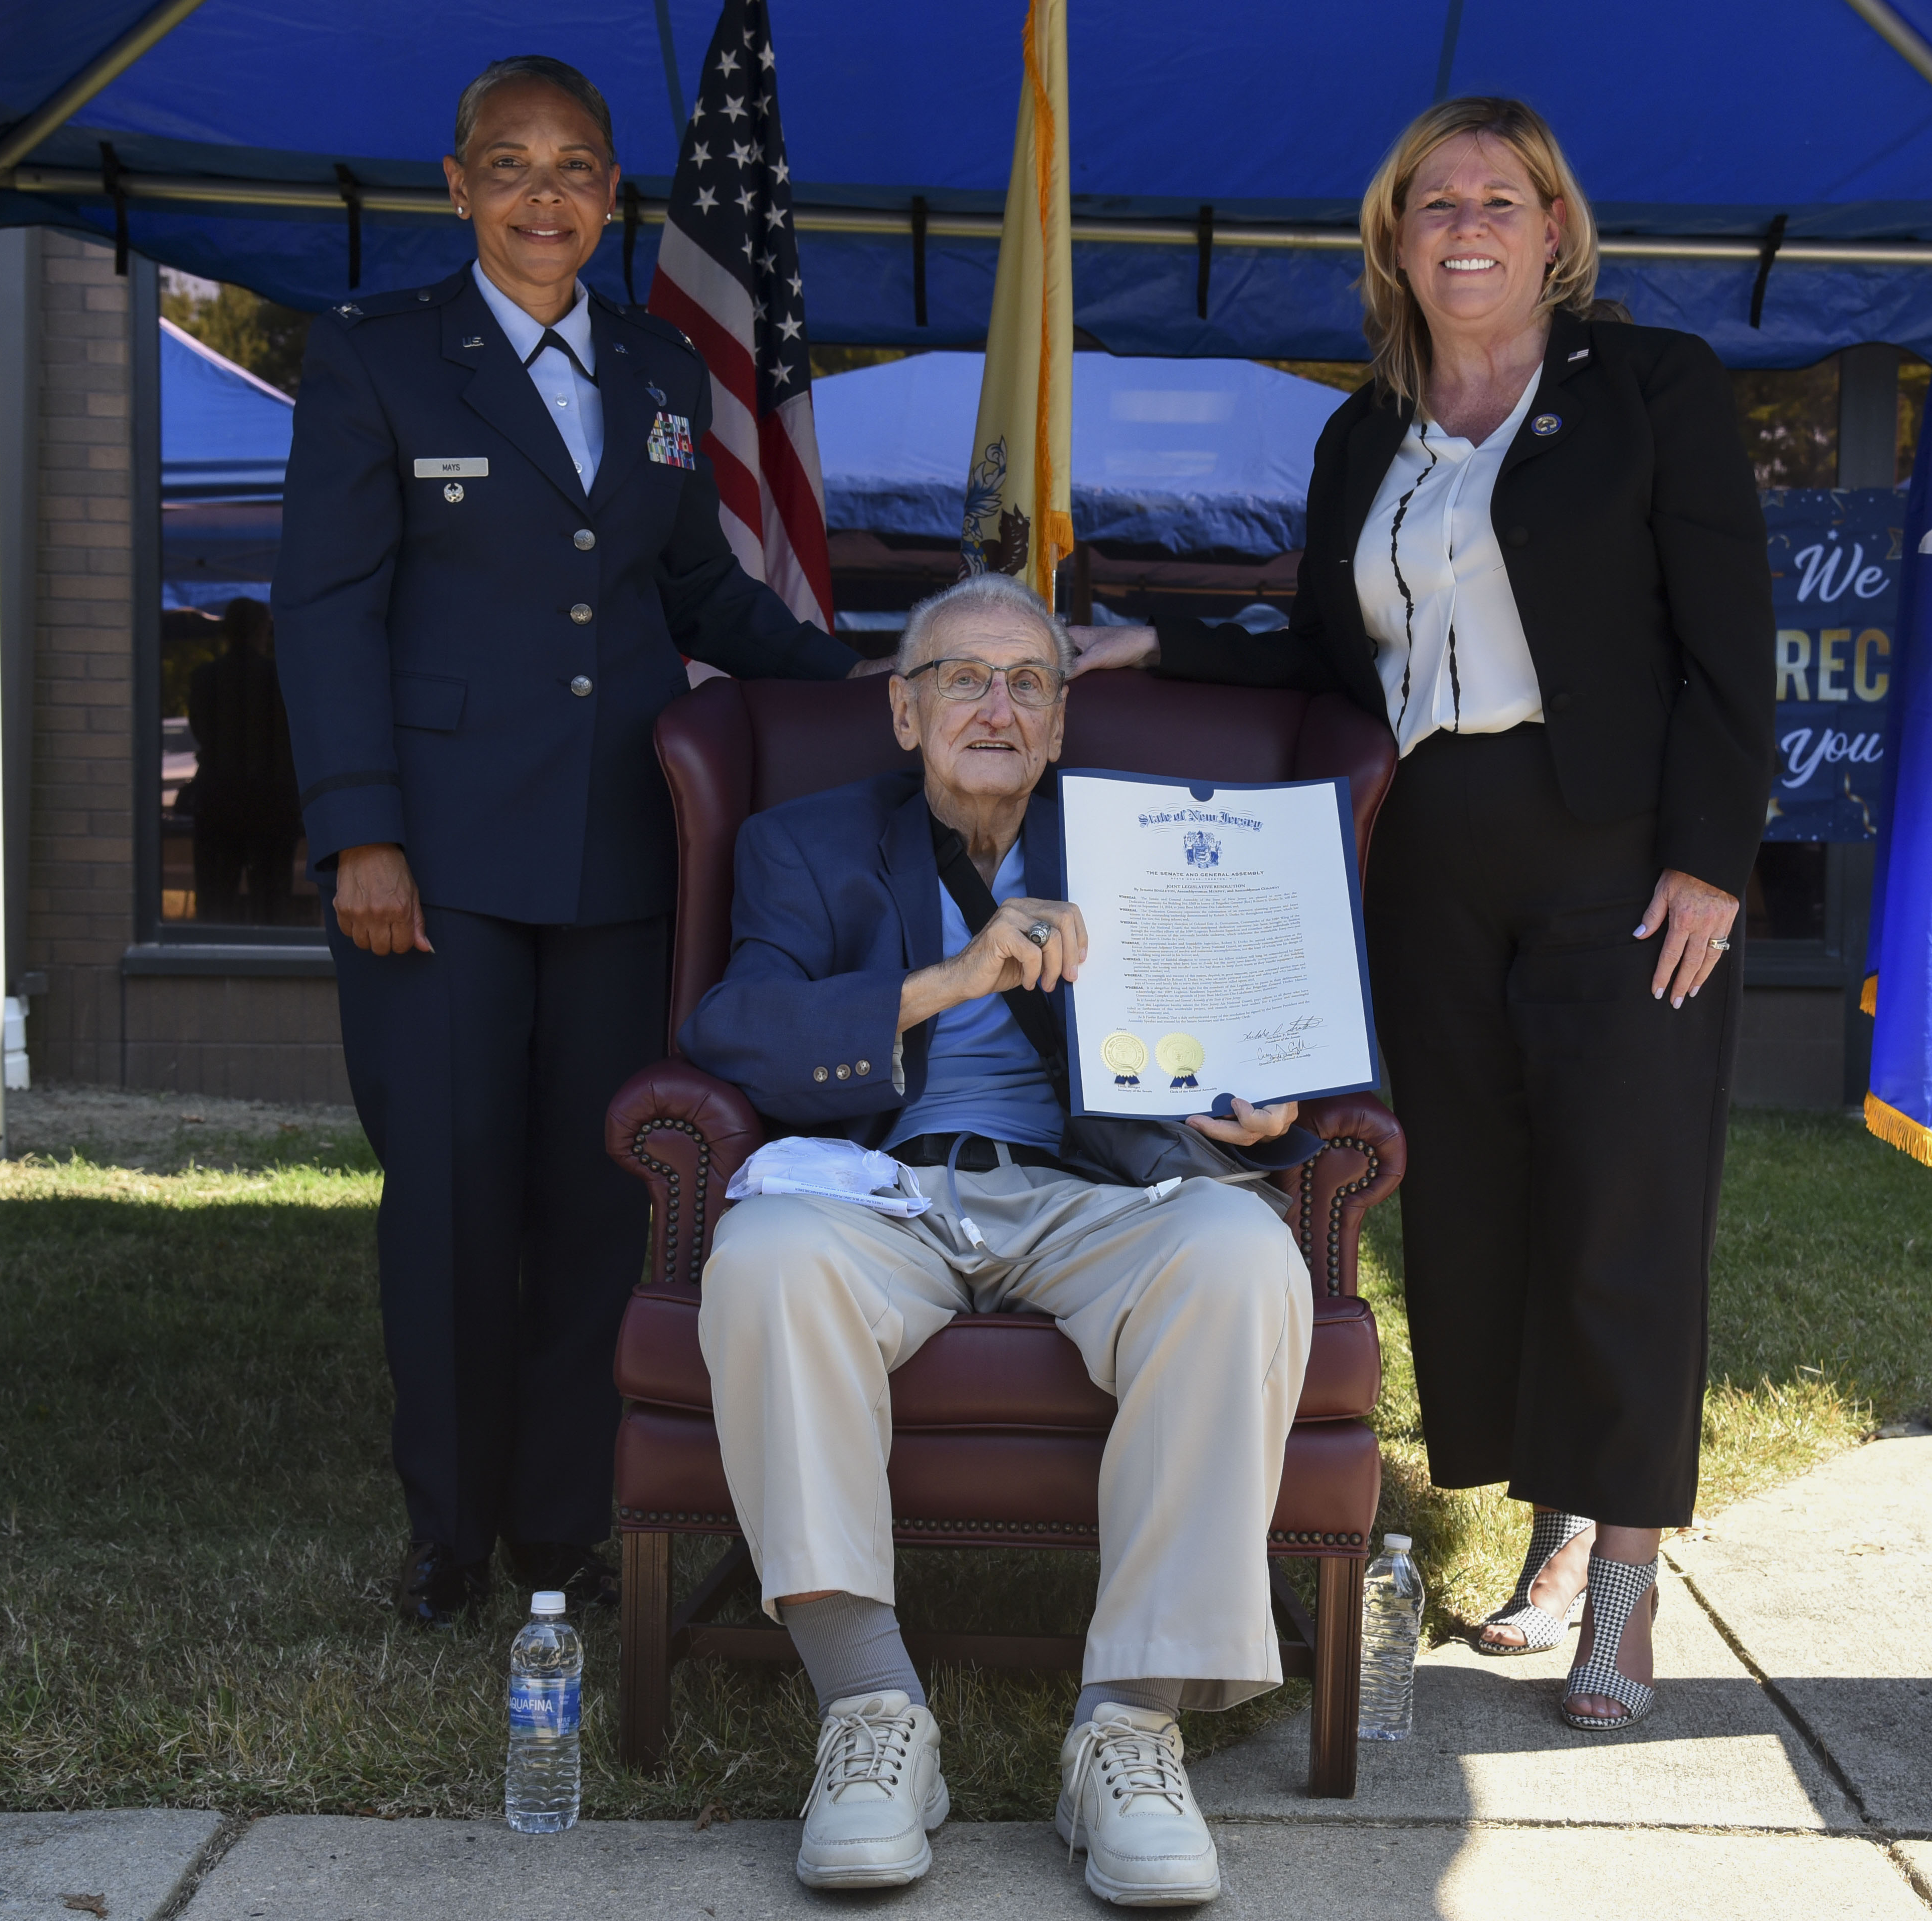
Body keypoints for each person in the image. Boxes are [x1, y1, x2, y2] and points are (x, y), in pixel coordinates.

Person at [1077, 96, 1773, 1729]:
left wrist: (1711, 858)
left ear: (1552, 228)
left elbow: (1725, 640)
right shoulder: (1357, 433)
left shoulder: (1647, 391)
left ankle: (1617, 1574)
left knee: (1622, 1202)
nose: (1465, 223)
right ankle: (1539, 1523)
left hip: (1615, 853)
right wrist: (1156, 650)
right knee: (1473, 1206)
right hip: (1427, 859)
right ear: (1393, 239)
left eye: (1499, 198)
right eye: (1431, 202)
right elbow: (1333, 658)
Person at [273, 54, 869, 1629]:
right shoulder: (376, 361)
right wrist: (360, 837)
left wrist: (865, 672)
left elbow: (700, 597)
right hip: (438, 871)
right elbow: (326, 616)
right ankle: (449, 1537)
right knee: (456, 1202)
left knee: (600, 1200)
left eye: (578, 169)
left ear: (615, 198)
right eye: (511, 166)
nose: (547, 197)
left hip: (618, 859)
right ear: (457, 186)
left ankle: (559, 1527)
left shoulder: (662, 372)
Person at [682, 573, 1314, 1903]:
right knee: (763, 1255)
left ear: (1060, 723)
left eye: (1028, 680)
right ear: (902, 711)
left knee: (1245, 1253)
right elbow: (736, 1032)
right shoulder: (801, 844)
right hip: (888, 1190)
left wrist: (1250, 1112)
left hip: (1089, 1194)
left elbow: (1226, 1053)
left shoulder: (1143, 852)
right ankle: (870, 1714)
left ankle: (1128, 1728)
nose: (996, 702)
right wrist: (954, 976)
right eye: (963, 677)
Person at [181, 596, 303, 925]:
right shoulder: (280, 678)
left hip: (221, 798)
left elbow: (201, 729)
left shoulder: (206, 678)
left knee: (216, 900)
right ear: (263, 630)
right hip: (273, 801)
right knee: (272, 901)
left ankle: (212, 966)